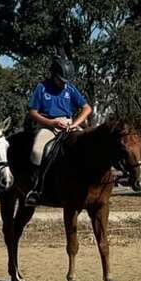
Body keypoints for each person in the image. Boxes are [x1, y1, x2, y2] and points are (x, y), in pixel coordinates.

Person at [26, 58, 92, 205]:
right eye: (61, 80)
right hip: (48, 125)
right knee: (37, 151)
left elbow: (87, 108)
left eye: (66, 81)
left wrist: (75, 124)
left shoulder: (70, 88)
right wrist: (51, 122)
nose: (64, 83)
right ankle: (37, 190)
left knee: (87, 146)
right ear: (54, 75)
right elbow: (33, 112)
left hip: (69, 124)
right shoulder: (41, 88)